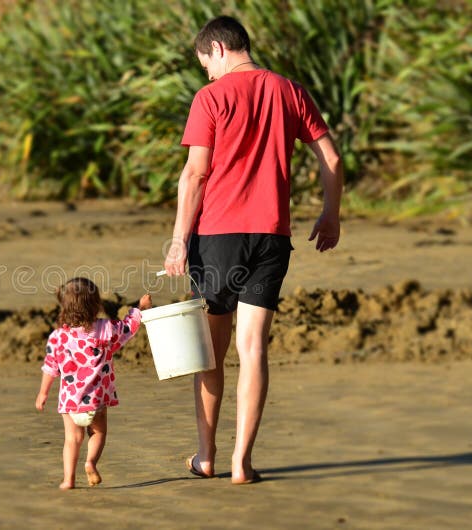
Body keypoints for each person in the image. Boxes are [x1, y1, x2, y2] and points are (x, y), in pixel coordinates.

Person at [163, 15, 343, 485]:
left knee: (211, 353)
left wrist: (180, 239)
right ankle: (242, 462)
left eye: (206, 63)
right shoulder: (290, 90)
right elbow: (332, 157)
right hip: (272, 237)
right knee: (253, 348)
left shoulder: (211, 98)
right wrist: (331, 213)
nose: (207, 74)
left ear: (218, 49)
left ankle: (207, 456)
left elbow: (196, 174)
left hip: (218, 237)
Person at [35, 277, 152, 490]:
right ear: (96, 305)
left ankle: (68, 480)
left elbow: (50, 367)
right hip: (97, 397)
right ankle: (91, 462)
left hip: (70, 401)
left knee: (72, 439)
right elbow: (127, 328)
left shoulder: (58, 337)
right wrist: (139, 309)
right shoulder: (105, 329)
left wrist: (43, 393)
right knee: (98, 433)